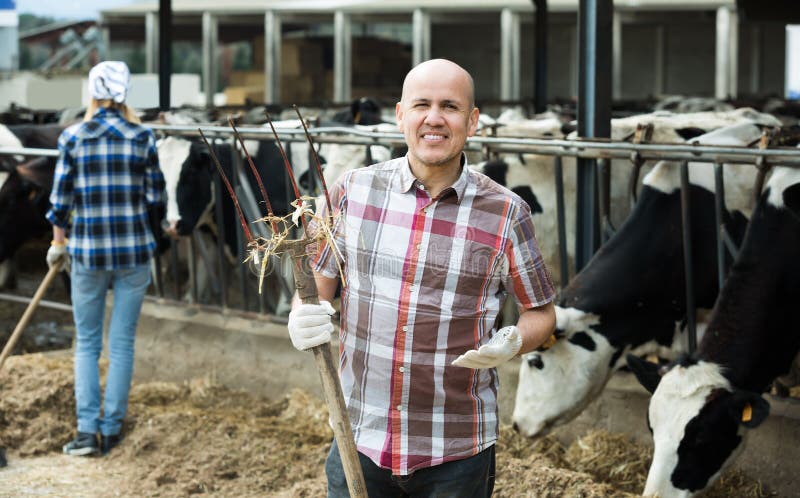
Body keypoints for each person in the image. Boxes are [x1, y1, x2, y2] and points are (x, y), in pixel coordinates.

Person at [288, 58, 556, 496]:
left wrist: (512, 341)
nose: (434, 118)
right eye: (421, 105)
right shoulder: (349, 193)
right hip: (359, 437)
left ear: (472, 121)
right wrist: (301, 316)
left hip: (457, 449)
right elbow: (316, 290)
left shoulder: (507, 212)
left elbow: (541, 312)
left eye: (450, 106)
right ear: (400, 116)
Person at [46, 61, 166, 457]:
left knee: (86, 343)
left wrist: (58, 244)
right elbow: (155, 199)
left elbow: (60, 202)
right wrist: (154, 236)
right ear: (124, 93)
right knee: (122, 344)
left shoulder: (73, 136)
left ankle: (86, 432)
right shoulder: (142, 137)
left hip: (88, 253)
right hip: (134, 253)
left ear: (93, 93)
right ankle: (111, 430)